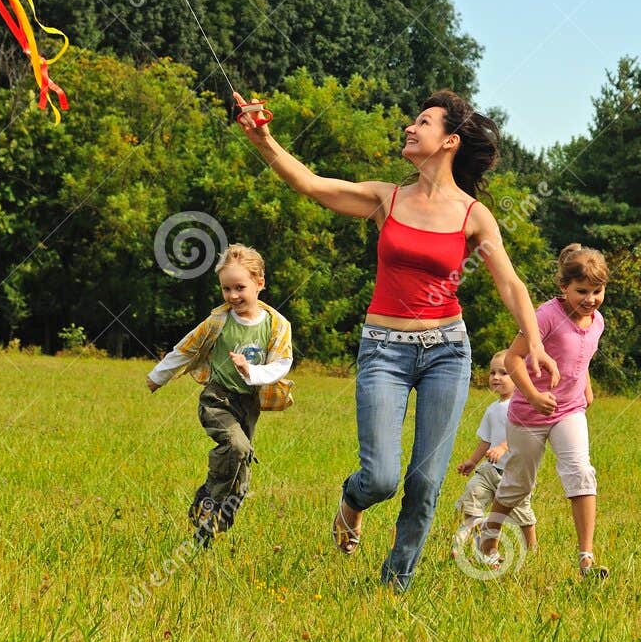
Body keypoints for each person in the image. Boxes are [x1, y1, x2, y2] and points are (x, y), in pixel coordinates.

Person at [232, 88, 560, 591]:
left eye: (423, 121)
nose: (410, 126)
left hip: (447, 352)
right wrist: (263, 140)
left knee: (426, 481)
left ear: (450, 140)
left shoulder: (473, 215)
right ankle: (353, 499)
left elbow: (510, 283)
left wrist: (534, 341)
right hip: (384, 349)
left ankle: (394, 585)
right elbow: (311, 184)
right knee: (382, 477)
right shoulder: (386, 198)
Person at [145, 243, 293, 547]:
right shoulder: (218, 321)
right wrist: (157, 377)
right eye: (226, 289)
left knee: (242, 468)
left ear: (260, 283)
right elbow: (185, 348)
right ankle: (208, 497)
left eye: (240, 287)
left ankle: (213, 523)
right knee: (237, 447)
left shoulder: (277, 325)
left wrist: (251, 371)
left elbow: (281, 363)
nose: (233, 295)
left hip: (248, 405)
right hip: (217, 399)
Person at [476, 243, 609, 579]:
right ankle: (488, 539)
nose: (590, 299)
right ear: (564, 287)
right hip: (529, 414)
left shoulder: (597, 321)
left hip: (570, 410)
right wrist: (533, 396)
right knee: (518, 485)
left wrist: (586, 389)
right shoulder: (547, 315)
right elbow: (513, 358)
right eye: (582, 291)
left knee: (580, 471)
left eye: (597, 291)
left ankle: (586, 558)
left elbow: (581, 359)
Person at [452, 351, 522, 557]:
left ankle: (533, 549)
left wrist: (503, 447)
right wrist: (472, 461)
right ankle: (475, 539)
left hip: (516, 474)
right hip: (491, 470)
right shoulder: (492, 409)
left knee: (522, 516)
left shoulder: (521, 405)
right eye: (493, 373)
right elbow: (486, 440)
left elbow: (521, 433)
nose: (496, 377)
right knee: (473, 493)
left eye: (504, 373)